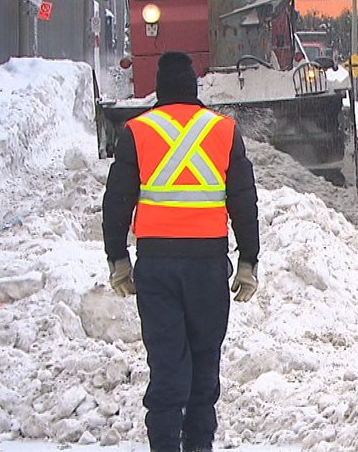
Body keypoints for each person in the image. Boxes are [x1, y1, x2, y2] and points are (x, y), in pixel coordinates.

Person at [102, 51, 260, 452]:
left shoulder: (138, 132)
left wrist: (118, 259)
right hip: (208, 270)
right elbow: (243, 202)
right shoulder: (224, 131)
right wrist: (248, 261)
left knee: (167, 369)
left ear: (160, 88)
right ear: (194, 87)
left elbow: (117, 201)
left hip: (157, 270)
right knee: (204, 371)